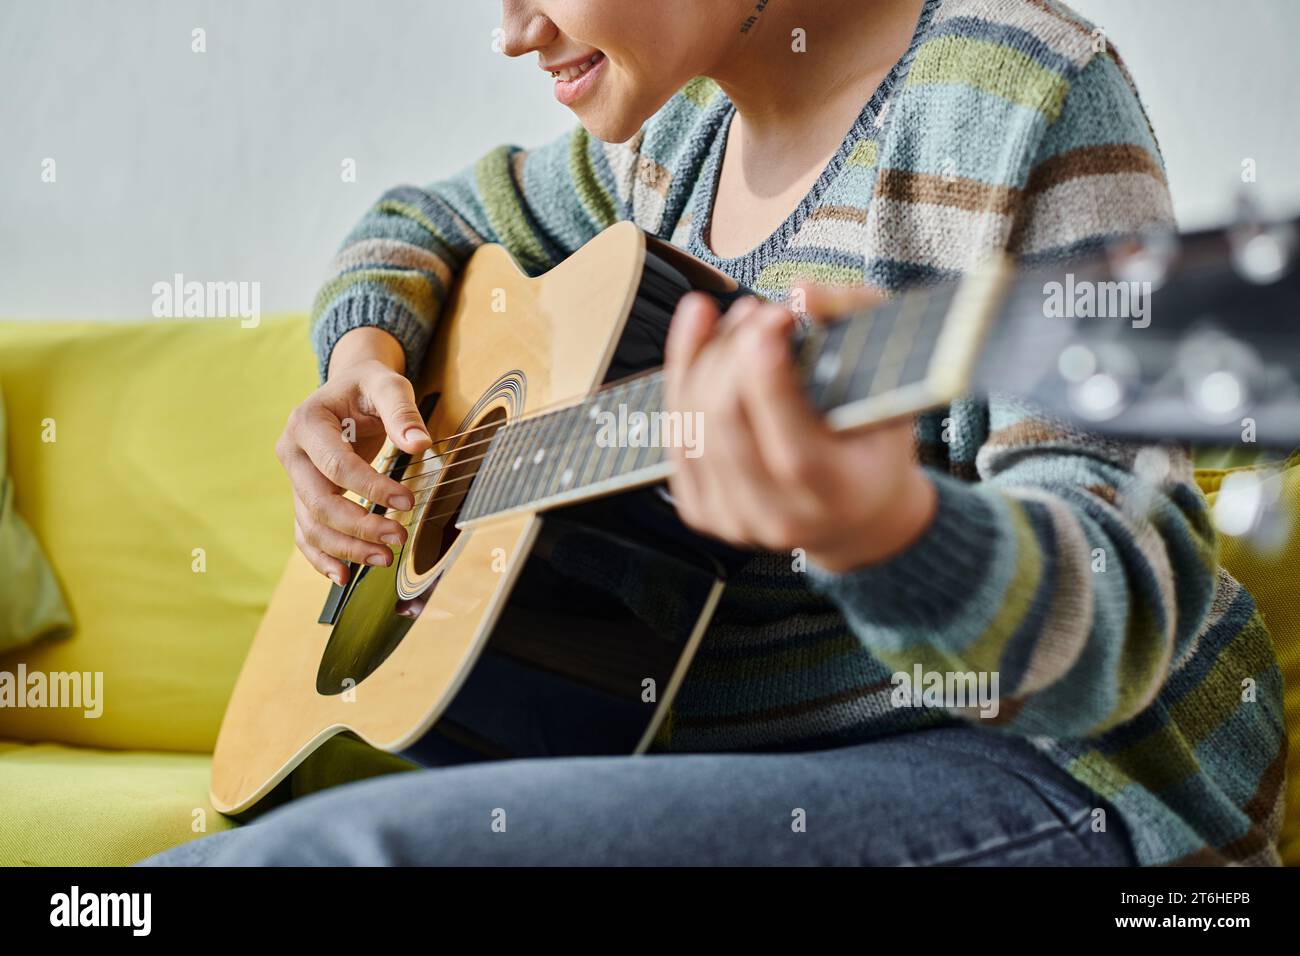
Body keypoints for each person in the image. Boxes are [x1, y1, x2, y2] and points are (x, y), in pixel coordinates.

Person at [145, 0, 1286, 866]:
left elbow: (1126, 602)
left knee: (348, 854)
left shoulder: (1018, 89)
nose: (511, 30)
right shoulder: (668, 137)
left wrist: (884, 533)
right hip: (715, 769)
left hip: (1060, 787)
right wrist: (362, 360)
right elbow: (417, 218)